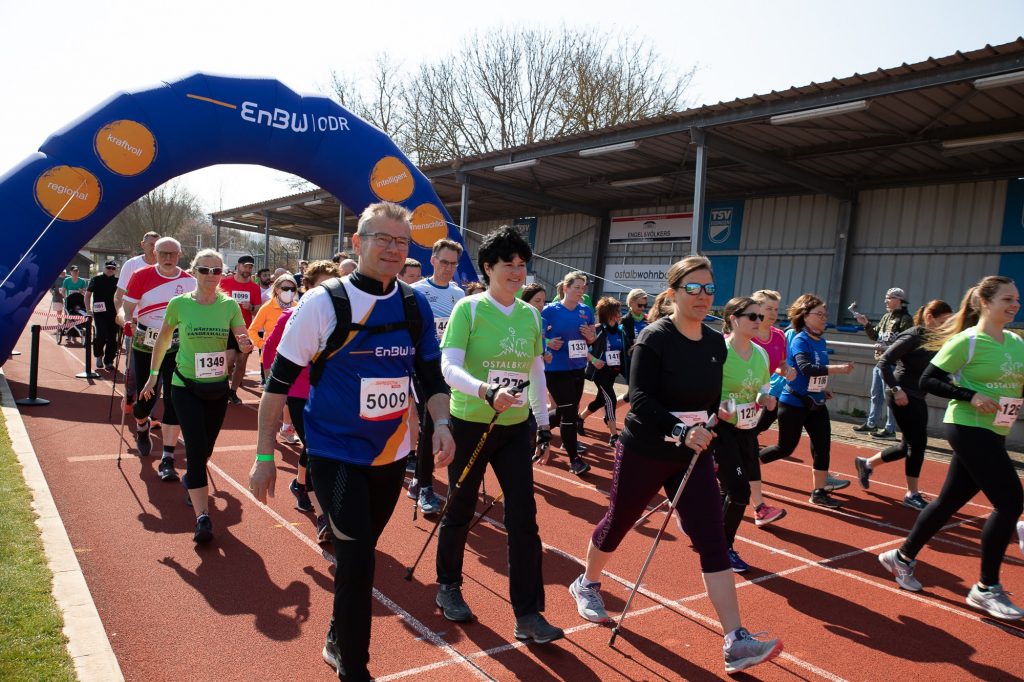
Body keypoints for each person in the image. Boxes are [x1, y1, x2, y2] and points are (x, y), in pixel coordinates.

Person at [249, 202, 455, 681]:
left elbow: (429, 374)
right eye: (382, 239)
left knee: (360, 557)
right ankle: (354, 666)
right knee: (359, 560)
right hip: (333, 452)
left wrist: (441, 423)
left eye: (400, 242)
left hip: (390, 454)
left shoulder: (413, 304)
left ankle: (338, 634)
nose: (392, 249)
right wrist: (263, 456)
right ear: (359, 243)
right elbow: (276, 386)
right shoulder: (323, 303)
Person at [567, 256, 783, 674]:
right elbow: (641, 399)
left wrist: (725, 413)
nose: (703, 296)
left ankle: (735, 639)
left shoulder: (714, 345)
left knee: (712, 538)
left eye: (709, 289)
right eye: (693, 288)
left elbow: (706, 401)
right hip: (646, 449)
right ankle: (588, 582)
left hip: (693, 457)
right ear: (673, 293)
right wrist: (680, 430)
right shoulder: (654, 337)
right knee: (620, 521)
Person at [435, 225, 562, 643]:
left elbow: (535, 369)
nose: (516, 272)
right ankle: (448, 586)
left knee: (524, 518)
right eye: (508, 264)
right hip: (472, 422)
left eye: (522, 265)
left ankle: (529, 614)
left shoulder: (530, 315)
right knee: (460, 507)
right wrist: (486, 391)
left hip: (514, 428)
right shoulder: (468, 310)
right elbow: (449, 367)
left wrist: (543, 422)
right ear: (488, 268)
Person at [879, 276, 1024, 620]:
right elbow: (929, 380)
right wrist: (971, 395)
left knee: (949, 501)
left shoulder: (1017, 343)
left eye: (1017, 299)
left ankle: (900, 558)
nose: (1015, 304)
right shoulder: (967, 341)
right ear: (985, 303)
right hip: (967, 426)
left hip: (996, 429)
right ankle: (987, 587)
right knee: (1010, 502)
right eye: (1007, 299)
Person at [140, 249, 251, 542]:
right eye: (205, 270)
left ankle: (192, 478)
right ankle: (202, 517)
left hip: (216, 387)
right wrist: (153, 376)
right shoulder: (179, 304)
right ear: (194, 272)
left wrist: (245, 342)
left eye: (217, 271)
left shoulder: (228, 306)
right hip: (184, 384)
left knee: (206, 447)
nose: (211, 276)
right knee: (196, 448)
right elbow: (163, 339)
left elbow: (240, 334)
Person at [261, 260, 340, 534]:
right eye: (321, 285)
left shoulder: (344, 318)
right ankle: (323, 518)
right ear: (307, 287)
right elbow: (270, 349)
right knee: (317, 449)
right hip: (299, 393)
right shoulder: (290, 316)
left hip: (329, 394)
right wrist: (274, 383)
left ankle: (299, 484)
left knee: (315, 448)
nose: (328, 292)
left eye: (333, 285)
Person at [758, 294, 854, 508]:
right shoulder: (799, 338)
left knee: (822, 446)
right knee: (785, 448)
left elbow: (814, 374)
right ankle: (748, 466)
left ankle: (818, 492)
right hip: (793, 403)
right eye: (818, 314)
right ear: (805, 316)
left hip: (816, 403)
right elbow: (805, 368)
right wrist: (837, 369)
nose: (824, 317)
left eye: (825, 314)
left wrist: (822, 388)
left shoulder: (821, 341)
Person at [854, 300, 953, 509]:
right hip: (903, 394)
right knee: (918, 445)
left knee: (906, 447)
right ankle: (912, 494)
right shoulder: (913, 335)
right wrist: (897, 390)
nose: (947, 326)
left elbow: (937, 373)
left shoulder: (937, 340)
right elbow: (884, 362)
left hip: (917, 395)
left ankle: (867, 463)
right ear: (929, 318)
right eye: (943, 321)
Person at [122, 237, 196, 474]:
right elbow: (127, 308)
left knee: (175, 396)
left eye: (172, 254)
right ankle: (142, 425)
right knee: (146, 399)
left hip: (177, 345)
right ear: (154, 253)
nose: (167, 258)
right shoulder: (141, 276)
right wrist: (125, 321)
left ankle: (167, 457)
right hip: (146, 342)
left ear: (180, 255)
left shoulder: (190, 281)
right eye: (163, 253)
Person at [714, 297, 775, 573]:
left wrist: (766, 399)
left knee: (729, 489)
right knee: (739, 492)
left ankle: (706, 528)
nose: (758, 322)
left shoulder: (761, 354)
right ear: (734, 319)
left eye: (760, 317)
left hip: (748, 430)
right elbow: (707, 393)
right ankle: (722, 549)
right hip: (722, 429)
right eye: (752, 316)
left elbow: (762, 388)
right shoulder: (721, 351)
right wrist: (724, 409)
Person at [408, 239, 466, 515]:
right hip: (424, 368)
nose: (448, 268)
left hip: (451, 369)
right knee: (430, 424)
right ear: (432, 260)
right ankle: (425, 485)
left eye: (453, 263)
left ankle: (423, 479)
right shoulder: (416, 291)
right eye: (444, 262)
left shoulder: (459, 294)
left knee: (451, 423)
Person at [749, 289, 796, 526]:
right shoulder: (746, 333)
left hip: (754, 403)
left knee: (747, 454)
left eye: (777, 309)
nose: (774, 314)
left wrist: (786, 370)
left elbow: (779, 364)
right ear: (756, 309)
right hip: (733, 400)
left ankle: (759, 508)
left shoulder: (779, 336)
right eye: (769, 309)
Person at [542, 271, 596, 475]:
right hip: (556, 368)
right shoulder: (549, 311)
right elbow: (535, 334)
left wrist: (591, 336)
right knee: (570, 412)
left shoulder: (586, 311)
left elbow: (592, 339)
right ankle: (574, 459)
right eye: (577, 287)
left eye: (583, 288)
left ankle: (536, 425)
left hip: (578, 367)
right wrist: (548, 342)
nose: (581, 291)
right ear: (566, 288)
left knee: (569, 410)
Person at [853, 288, 914, 439]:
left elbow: (906, 343)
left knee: (890, 397)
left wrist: (887, 348)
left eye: (889, 298)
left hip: (893, 364)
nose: (885, 301)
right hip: (880, 361)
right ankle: (871, 423)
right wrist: (866, 323)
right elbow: (875, 336)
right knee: (876, 395)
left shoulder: (906, 319)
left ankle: (890, 429)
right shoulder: (886, 317)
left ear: (898, 299)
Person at [249, 274, 300, 444]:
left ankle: (286, 428)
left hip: (292, 358)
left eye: (292, 288)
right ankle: (267, 431)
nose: (289, 292)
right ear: (277, 289)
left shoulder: (298, 307)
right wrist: (262, 344)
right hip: (270, 359)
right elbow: (252, 330)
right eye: (285, 288)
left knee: (290, 396)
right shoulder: (267, 307)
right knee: (272, 398)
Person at [578, 296, 627, 446]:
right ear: (609, 313)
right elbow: (582, 348)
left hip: (613, 372)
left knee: (600, 400)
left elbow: (623, 352)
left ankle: (580, 418)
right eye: (617, 311)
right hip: (600, 372)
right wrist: (593, 360)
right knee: (610, 400)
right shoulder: (598, 330)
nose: (620, 314)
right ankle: (614, 435)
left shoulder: (620, 332)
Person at [218, 255, 262, 405]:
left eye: (250, 267)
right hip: (227, 327)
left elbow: (258, 310)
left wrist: (251, 307)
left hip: (245, 328)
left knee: (242, 361)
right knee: (229, 360)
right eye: (245, 266)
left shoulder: (254, 287)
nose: (247, 270)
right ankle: (222, 388)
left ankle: (233, 392)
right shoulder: (224, 282)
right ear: (238, 266)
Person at [85, 261, 120, 370]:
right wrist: (88, 310)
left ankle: (109, 361)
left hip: (114, 314)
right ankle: (99, 355)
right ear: (104, 268)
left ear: (115, 270)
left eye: (113, 268)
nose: (110, 270)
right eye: (108, 267)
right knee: (101, 335)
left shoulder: (118, 282)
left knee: (112, 339)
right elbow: (87, 295)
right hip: (99, 313)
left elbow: (124, 297)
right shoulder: (96, 279)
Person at [621, 288, 649, 356]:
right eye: (639, 305)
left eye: (645, 305)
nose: (642, 308)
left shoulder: (649, 319)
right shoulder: (624, 320)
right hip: (631, 358)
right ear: (631, 302)